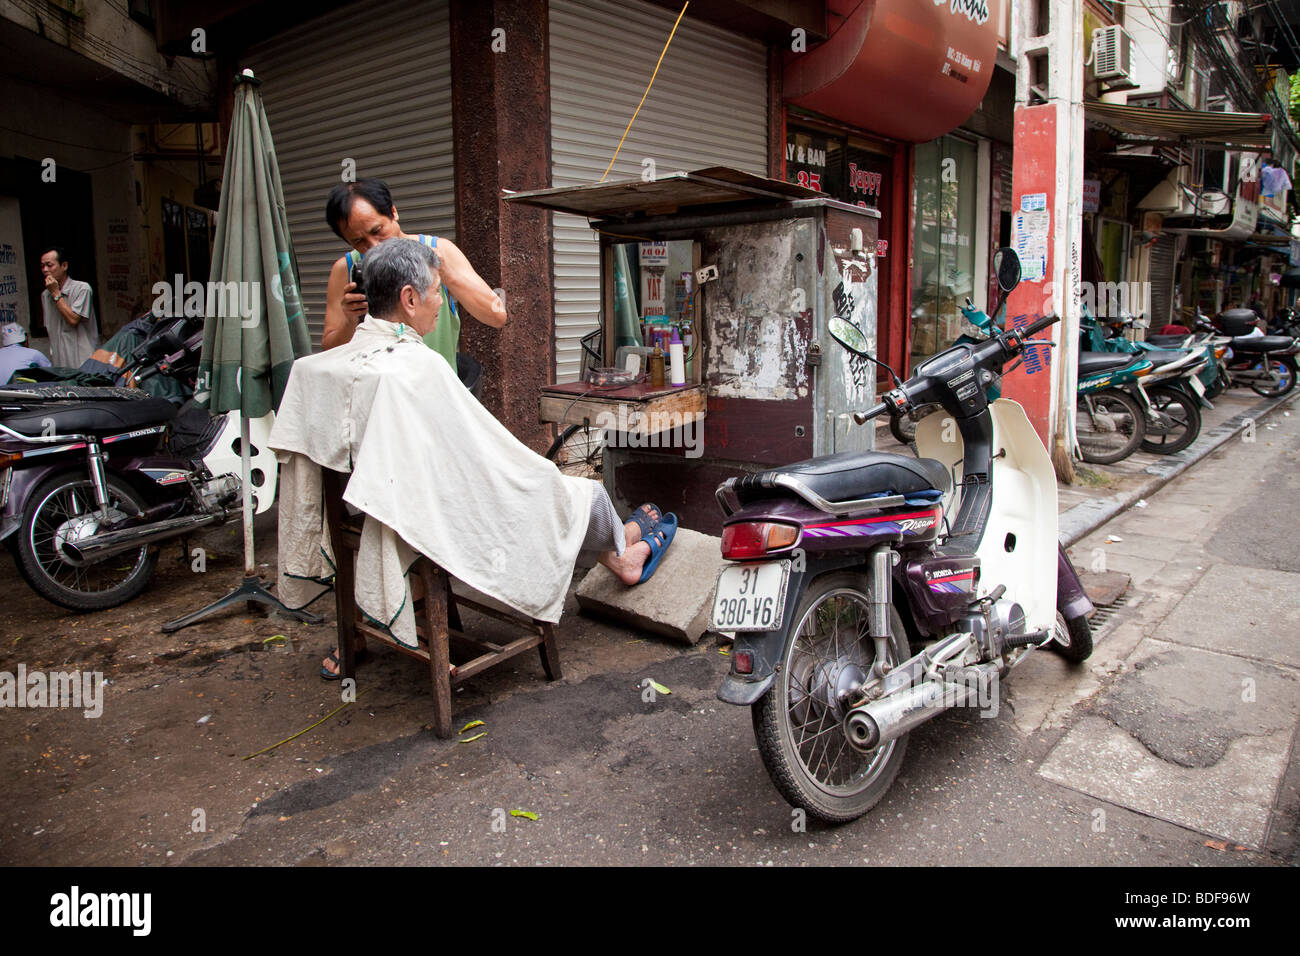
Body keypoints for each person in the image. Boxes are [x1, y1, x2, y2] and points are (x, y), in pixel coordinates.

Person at [268, 238, 676, 679]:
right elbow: (489, 459)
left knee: (551, 490)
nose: (441, 305)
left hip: (367, 510)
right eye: (436, 293)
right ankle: (625, 549)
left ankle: (626, 539)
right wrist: (536, 474)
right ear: (408, 299)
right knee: (571, 492)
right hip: (422, 515)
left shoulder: (319, 366)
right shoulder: (416, 368)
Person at [321, 179, 507, 363]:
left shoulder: (440, 250)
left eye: (377, 230)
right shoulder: (345, 269)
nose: (373, 245)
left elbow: (496, 316)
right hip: (377, 389)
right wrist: (350, 320)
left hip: (433, 388)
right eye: (358, 241)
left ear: (393, 212)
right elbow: (329, 352)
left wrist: (447, 274)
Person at [39, 246, 100, 369]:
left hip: (83, 362)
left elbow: (73, 320)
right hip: (60, 363)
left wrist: (56, 294)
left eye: (49, 265)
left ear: (64, 266)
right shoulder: (46, 295)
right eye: (42, 266)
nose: (45, 270)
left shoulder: (82, 289)